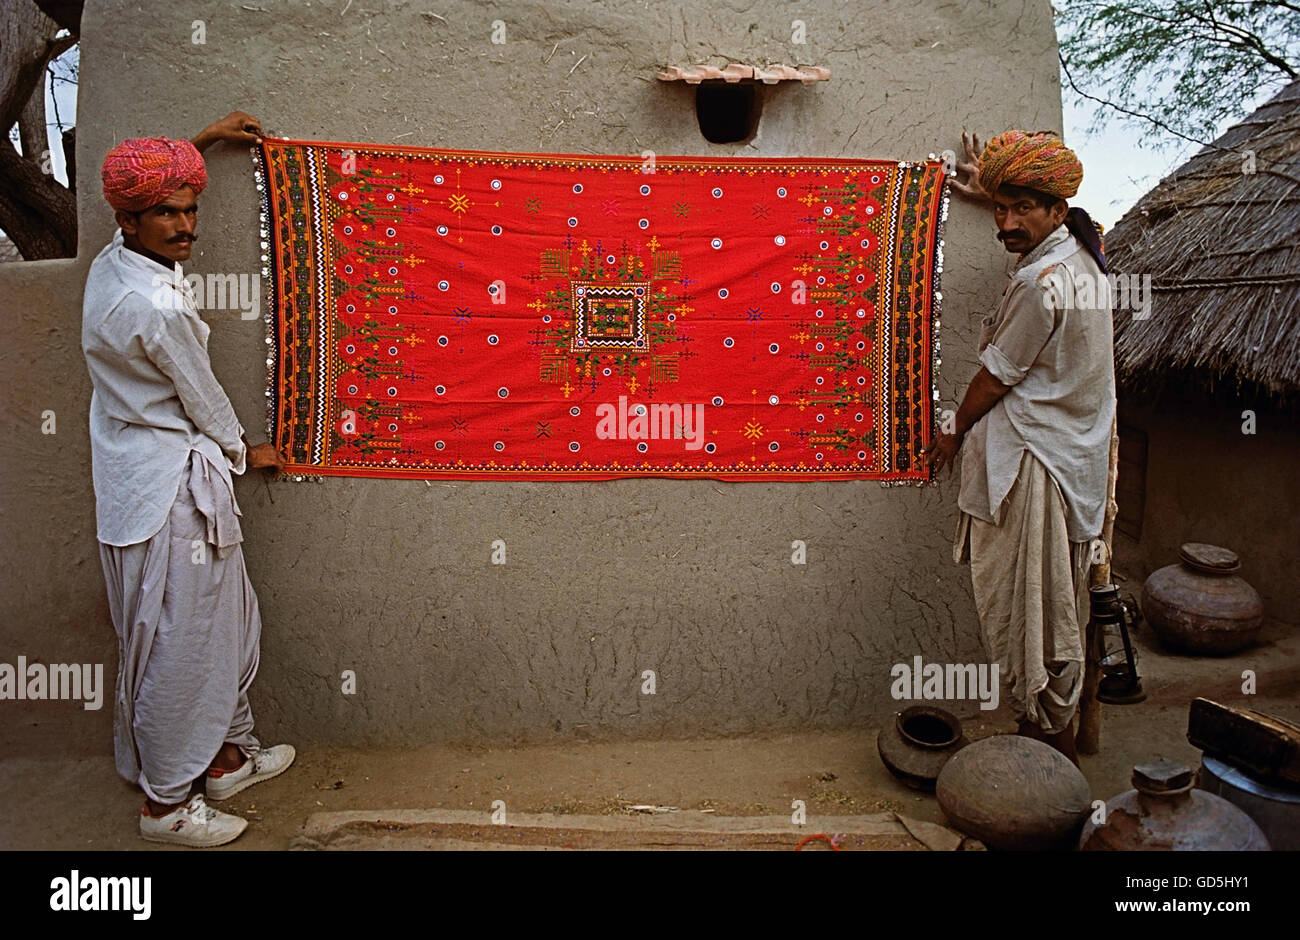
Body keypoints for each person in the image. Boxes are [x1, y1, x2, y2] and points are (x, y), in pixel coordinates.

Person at [83, 112, 294, 845]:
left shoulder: (116, 262)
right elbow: (200, 390)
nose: (184, 225)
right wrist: (246, 450)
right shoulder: (154, 301)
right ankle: (166, 805)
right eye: (167, 212)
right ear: (130, 218)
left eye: (190, 208)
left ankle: (228, 758)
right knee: (184, 646)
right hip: (172, 490)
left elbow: (147, 188)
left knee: (223, 623)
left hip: (147, 477)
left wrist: (197, 144)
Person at [921, 130, 1114, 766]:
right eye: (1001, 209)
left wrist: (951, 430)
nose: (1006, 222)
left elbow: (998, 374)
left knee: (1034, 618)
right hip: (1069, 461)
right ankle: (1048, 753)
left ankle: (1043, 770)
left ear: (1057, 211)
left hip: (1034, 465)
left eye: (1022, 208)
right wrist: (991, 194)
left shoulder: (1043, 283)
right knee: (1053, 609)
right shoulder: (1086, 256)